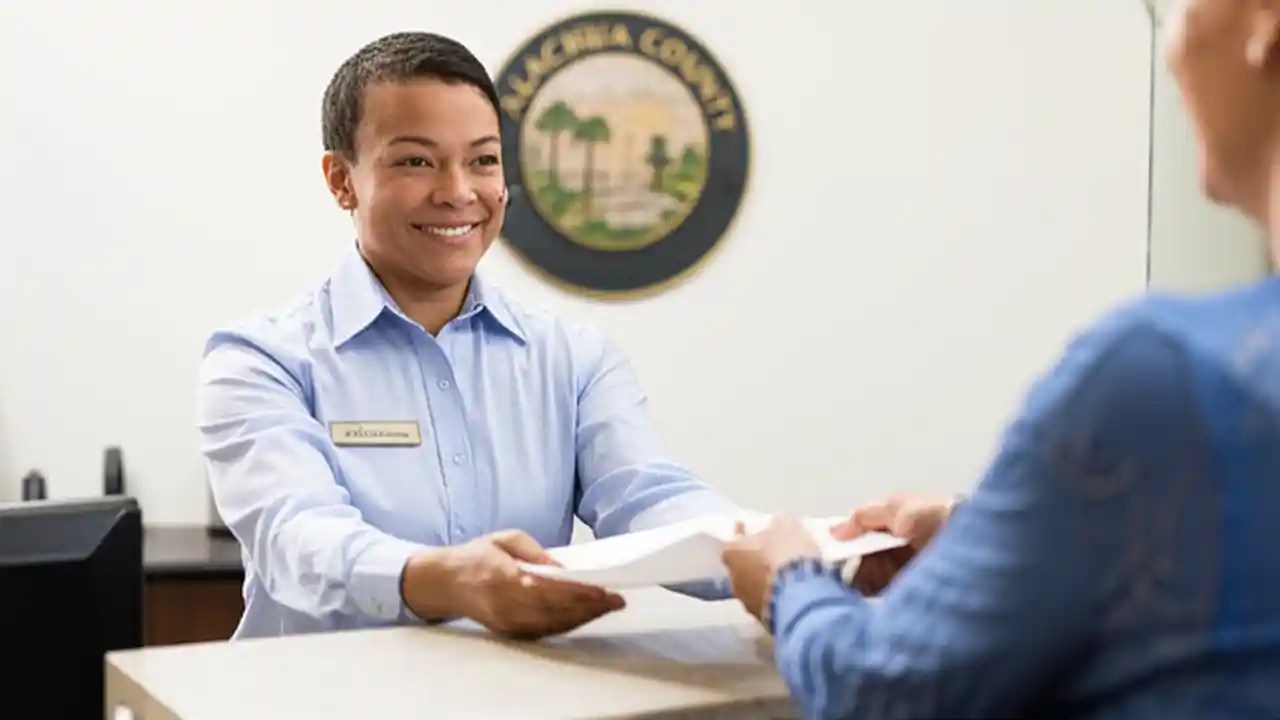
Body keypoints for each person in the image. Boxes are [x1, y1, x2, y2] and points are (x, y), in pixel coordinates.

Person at [722, 0, 1280, 717]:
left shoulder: (1164, 372)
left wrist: (791, 579)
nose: (1168, 48)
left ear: (1266, 23)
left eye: (1173, 8)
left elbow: (883, 691)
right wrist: (990, 531)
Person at [196, 31, 741, 641]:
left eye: (483, 160)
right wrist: (447, 580)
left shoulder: (573, 358)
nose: (459, 192)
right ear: (340, 180)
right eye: (416, 161)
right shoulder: (261, 360)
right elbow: (296, 539)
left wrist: (804, 558)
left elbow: (651, 500)